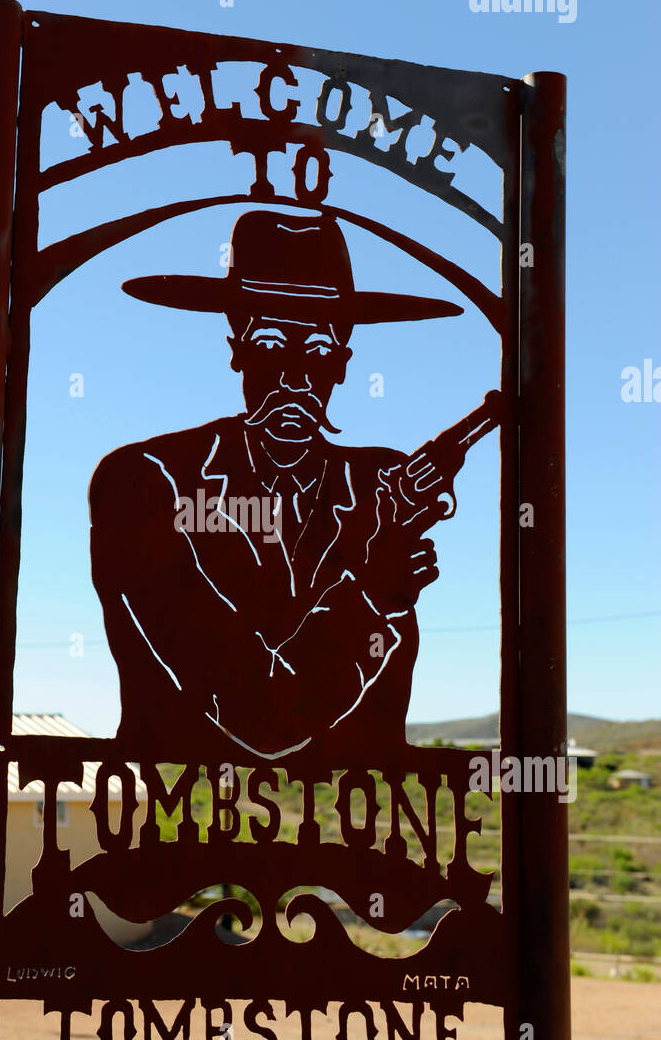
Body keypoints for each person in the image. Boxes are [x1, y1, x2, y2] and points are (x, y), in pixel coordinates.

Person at [89, 210, 463, 763]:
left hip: (366, 824)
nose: (294, 378)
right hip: (180, 817)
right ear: (236, 349)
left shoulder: (382, 484)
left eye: (317, 352)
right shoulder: (147, 481)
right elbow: (263, 718)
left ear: (342, 364)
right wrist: (372, 595)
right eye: (269, 345)